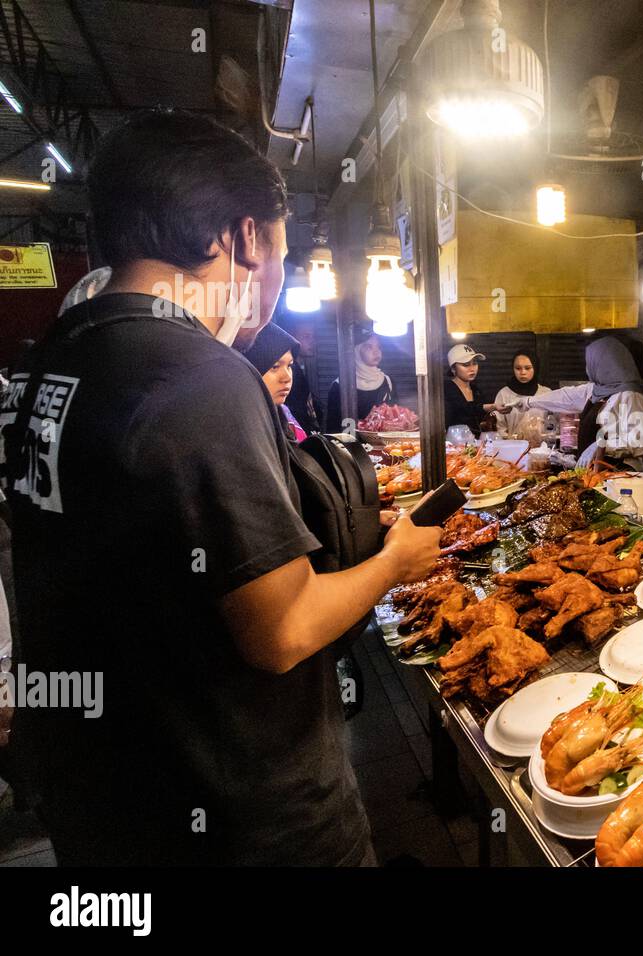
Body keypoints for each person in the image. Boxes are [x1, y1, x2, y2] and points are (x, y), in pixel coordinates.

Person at [0, 109, 443, 866]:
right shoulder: (200, 376)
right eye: (279, 247)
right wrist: (396, 561)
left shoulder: (49, 367)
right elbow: (283, 630)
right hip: (244, 822)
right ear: (243, 239)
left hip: (109, 815)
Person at [513, 336, 643, 471]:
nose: (588, 369)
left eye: (591, 363)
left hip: (623, 475)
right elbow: (566, 396)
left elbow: (638, 442)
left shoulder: (632, 396)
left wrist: (601, 446)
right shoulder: (597, 390)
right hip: (595, 471)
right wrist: (528, 401)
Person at [242, 322, 309, 442]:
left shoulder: (285, 415)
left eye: (289, 366)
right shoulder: (244, 424)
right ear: (252, 370)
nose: (287, 377)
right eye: (275, 367)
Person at [325, 326, 394, 432]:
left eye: (378, 347)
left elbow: (394, 420)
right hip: (350, 446)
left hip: (384, 447)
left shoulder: (387, 382)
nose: (376, 352)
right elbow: (332, 428)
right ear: (356, 350)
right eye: (369, 347)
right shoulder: (339, 385)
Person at [443, 343, 499, 436]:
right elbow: (463, 409)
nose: (472, 369)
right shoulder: (447, 389)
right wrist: (489, 407)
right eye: (466, 365)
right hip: (454, 446)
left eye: (474, 363)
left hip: (476, 446)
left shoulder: (476, 390)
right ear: (453, 368)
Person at [493, 349, 551, 438]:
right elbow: (499, 428)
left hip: (542, 448)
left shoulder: (546, 393)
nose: (523, 372)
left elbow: (554, 425)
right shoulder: (504, 394)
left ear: (535, 368)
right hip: (513, 448)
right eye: (518, 368)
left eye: (528, 368)